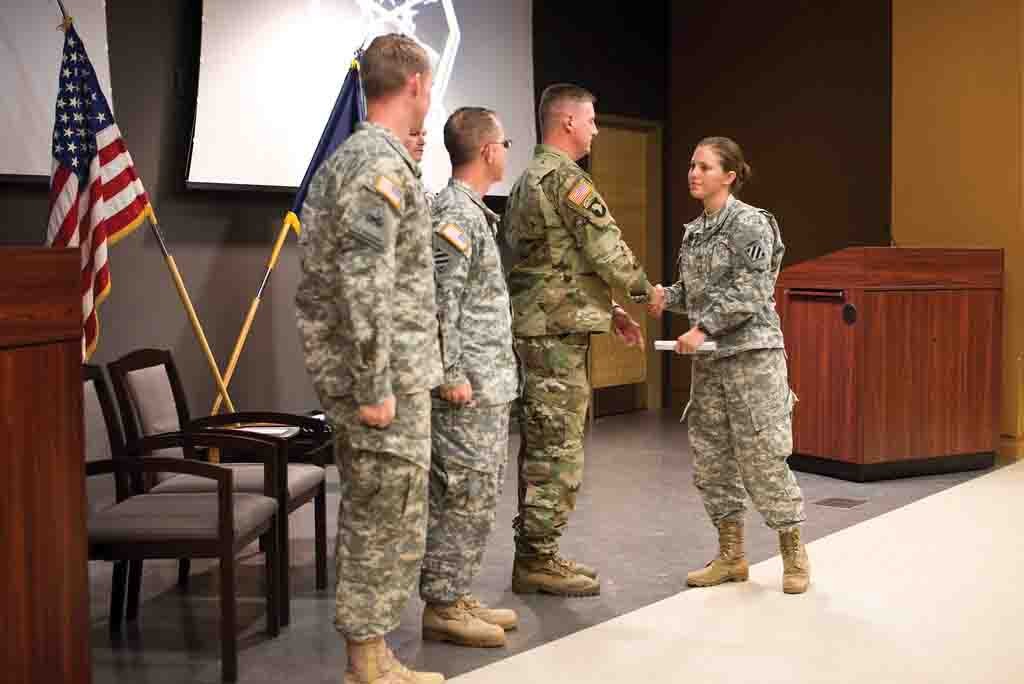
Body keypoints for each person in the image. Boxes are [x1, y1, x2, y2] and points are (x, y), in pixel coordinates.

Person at [294, 34, 445, 684]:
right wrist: (375, 381)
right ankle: (366, 665)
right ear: (413, 82)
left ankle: (376, 653)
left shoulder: (361, 161)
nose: (429, 96)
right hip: (386, 383)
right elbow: (364, 278)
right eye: (429, 85)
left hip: (394, 376)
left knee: (390, 513)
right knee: (381, 516)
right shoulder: (376, 165)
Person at [503, 83, 655, 597]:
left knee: (542, 442)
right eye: (590, 120)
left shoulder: (527, 181)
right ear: (567, 122)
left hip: (541, 327)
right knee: (558, 447)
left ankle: (537, 552)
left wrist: (608, 310)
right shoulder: (567, 181)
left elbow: (548, 266)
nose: (595, 129)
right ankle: (537, 561)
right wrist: (645, 292)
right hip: (556, 336)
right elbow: (604, 247)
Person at [647, 136, 810, 595]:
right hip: (711, 365)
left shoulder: (751, 224)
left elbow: (751, 292)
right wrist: (666, 296)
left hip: (752, 361)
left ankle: (793, 552)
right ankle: (731, 555)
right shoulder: (696, 230)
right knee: (713, 461)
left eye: (704, 167)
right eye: (691, 166)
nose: (693, 174)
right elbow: (696, 290)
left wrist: (702, 329)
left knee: (763, 458)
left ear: (729, 175)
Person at [419, 107, 520, 648]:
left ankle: (456, 592)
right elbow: (441, 303)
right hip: (465, 390)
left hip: (486, 384)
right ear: (486, 151)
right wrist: (449, 373)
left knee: (478, 495)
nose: (507, 150)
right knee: (460, 494)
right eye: (505, 142)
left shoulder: (475, 213)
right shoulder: (453, 216)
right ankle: (441, 604)